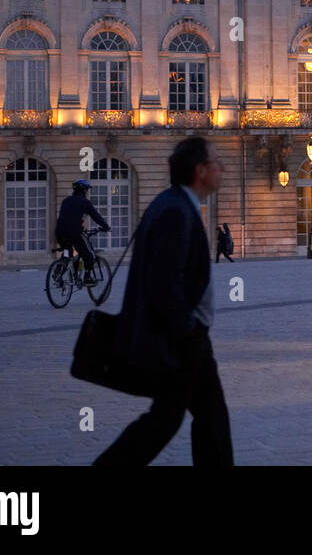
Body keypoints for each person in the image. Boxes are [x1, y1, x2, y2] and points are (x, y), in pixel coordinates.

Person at [95, 136, 234, 466]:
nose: (222, 168)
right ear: (201, 170)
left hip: (184, 335)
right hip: (182, 338)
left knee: (196, 418)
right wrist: (188, 330)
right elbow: (163, 283)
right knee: (172, 420)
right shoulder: (175, 210)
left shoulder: (175, 203)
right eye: (216, 161)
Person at [54, 179, 110, 284]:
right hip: (74, 233)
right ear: (84, 191)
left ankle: (58, 271)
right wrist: (106, 226)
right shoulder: (85, 202)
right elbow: (96, 216)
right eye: (86, 190)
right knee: (89, 255)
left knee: (67, 252)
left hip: (59, 232)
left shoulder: (66, 200)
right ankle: (87, 278)